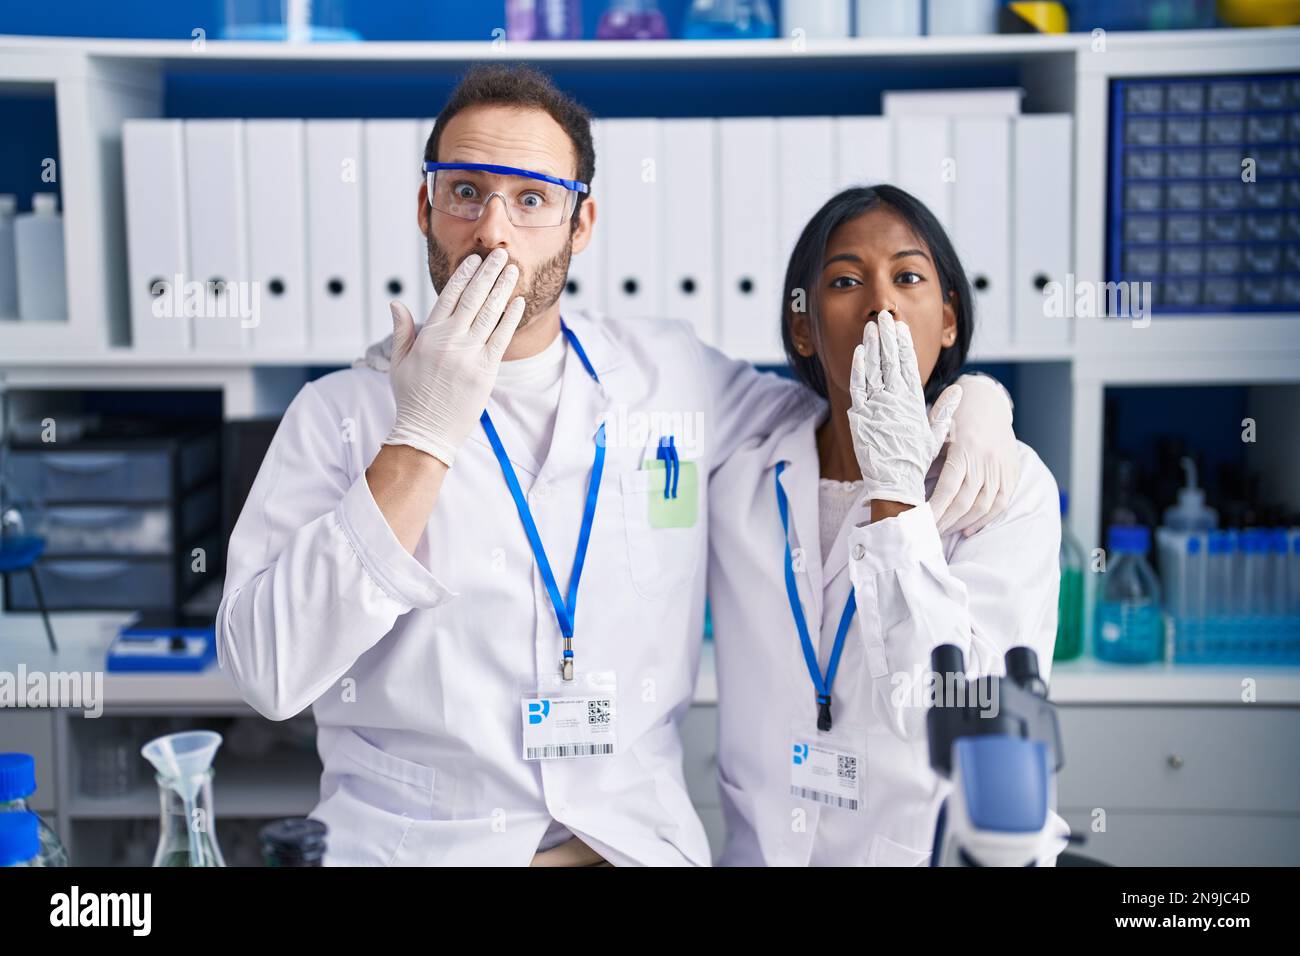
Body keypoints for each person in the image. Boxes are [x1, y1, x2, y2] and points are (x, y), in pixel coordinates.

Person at [217, 65, 1018, 866]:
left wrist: (974, 397)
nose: (493, 231)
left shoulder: (669, 374)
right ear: (425, 209)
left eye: (531, 199)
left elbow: (840, 419)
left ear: (581, 222)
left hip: (632, 849)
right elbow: (266, 673)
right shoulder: (338, 416)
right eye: (465, 192)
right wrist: (419, 440)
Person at [709, 184, 1067, 866]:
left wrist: (899, 492)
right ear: (803, 328)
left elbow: (947, 712)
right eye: (846, 281)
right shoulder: (743, 469)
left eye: (909, 277)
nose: (881, 304)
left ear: (949, 318)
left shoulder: (1007, 486)